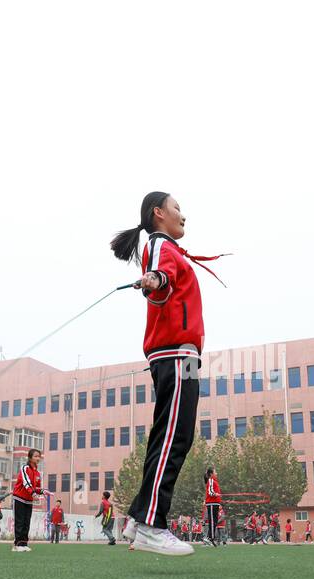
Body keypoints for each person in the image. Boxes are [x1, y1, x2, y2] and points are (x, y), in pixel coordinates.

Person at [113, 191, 210, 557]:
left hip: (180, 353)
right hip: (175, 352)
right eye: (177, 208)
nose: (182, 214)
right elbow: (160, 274)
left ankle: (141, 519)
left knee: (168, 435)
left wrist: (158, 278)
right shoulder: (160, 245)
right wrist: (155, 280)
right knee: (175, 435)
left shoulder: (168, 248)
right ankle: (153, 523)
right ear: (159, 214)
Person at [10, 449, 44, 552]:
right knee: (19, 521)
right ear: (30, 458)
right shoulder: (25, 468)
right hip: (19, 498)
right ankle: (17, 544)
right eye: (35, 456)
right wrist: (33, 493)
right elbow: (26, 483)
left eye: (39, 456)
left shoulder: (38, 473)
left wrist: (43, 491)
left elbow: (37, 488)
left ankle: (24, 544)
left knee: (26, 522)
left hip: (29, 500)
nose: (38, 458)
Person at [203, 467, 221, 546]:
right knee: (212, 521)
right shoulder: (210, 480)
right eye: (215, 472)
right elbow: (210, 492)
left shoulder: (214, 481)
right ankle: (211, 538)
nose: (216, 473)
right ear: (211, 474)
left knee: (215, 521)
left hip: (215, 503)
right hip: (211, 503)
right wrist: (215, 494)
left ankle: (209, 537)